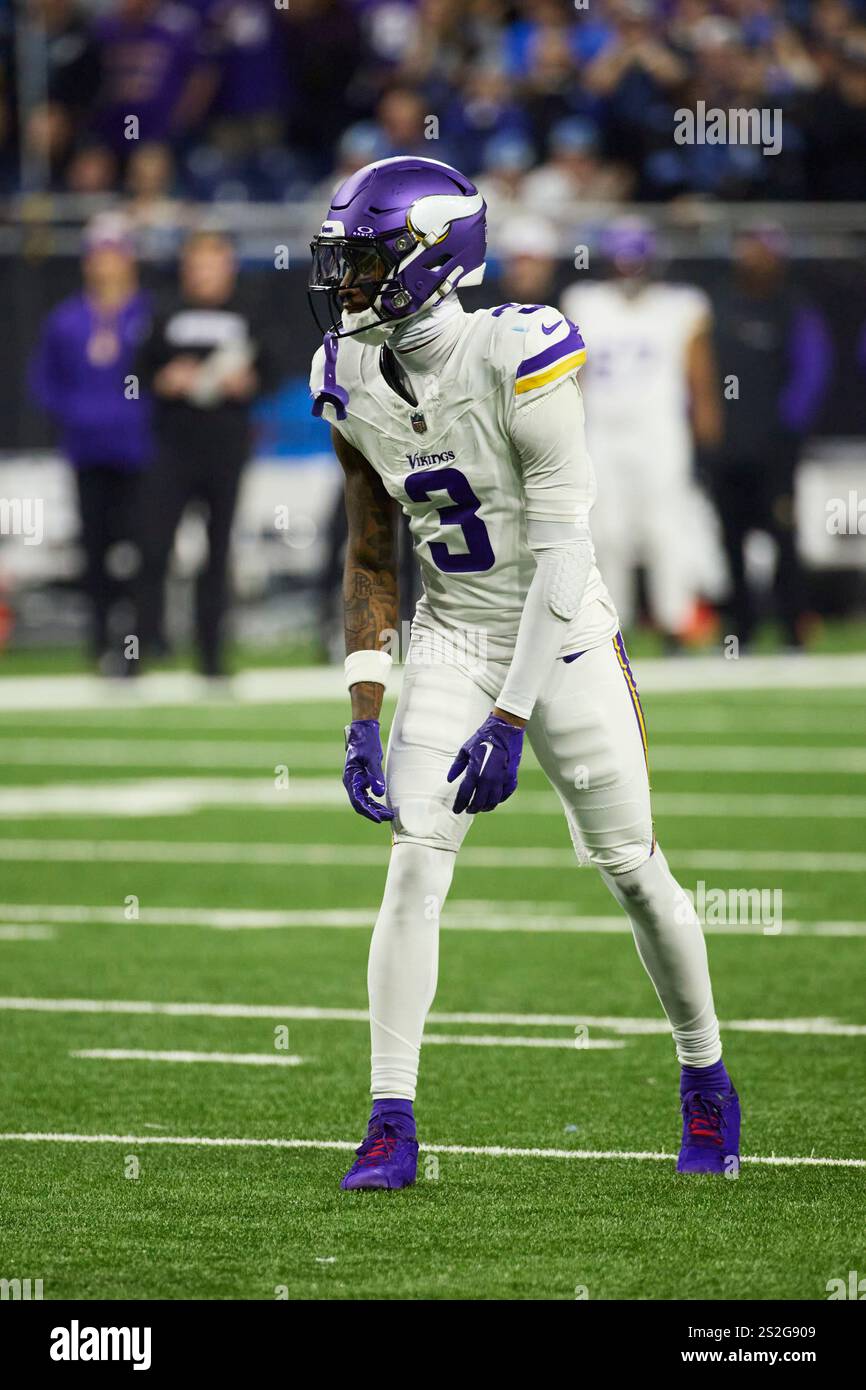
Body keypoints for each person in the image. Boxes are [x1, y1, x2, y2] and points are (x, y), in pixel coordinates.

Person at [308, 156, 740, 1191]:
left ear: (431, 257)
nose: (347, 284)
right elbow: (372, 552)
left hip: (565, 634)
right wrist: (362, 706)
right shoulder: (347, 373)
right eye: (344, 263)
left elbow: (562, 554)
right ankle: (390, 1116)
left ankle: (703, 1074)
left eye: (366, 262)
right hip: (453, 635)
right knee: (414, 861)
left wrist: (509, 718)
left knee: (631, 867)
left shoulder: (518, 349)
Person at [561, 217, 723, 649]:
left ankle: (675, 621)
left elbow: (698, 367)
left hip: (659, 428)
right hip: (603, 429)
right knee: (606, 529)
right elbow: (577, 373)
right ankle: (611, 625)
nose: (629, 270)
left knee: (666, 524)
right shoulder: (586, 301)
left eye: (636, 262)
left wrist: (706, 413)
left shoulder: (681, 305)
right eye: (622, 261)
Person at [135, 229, 283, 677]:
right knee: (154, 548)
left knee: (217, 554)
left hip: (225, 448)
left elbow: (272, 374)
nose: (202, 273)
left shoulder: (250, 314)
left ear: (228, 267)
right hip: (172, 448)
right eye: (195, 264)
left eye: (211, 263)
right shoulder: (165, 313)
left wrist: (248, 383)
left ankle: (212, 655)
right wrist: (165, 379)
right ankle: (141, 648)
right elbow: (137, 374)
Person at [29, 211, 152, 671]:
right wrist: (76, 415)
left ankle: (139, 643)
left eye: (114, 253)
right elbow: (44, 382)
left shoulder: (148, 314)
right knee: (95, 551)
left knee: (141, 550)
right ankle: (100, 642)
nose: (106, 264)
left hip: (140, 451)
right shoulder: (66, 320)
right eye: (99, 254)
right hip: (87, 451)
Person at [707, 223, 832, 649]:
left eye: (761, 250)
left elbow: (812, 372)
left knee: (783, 537)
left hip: (774, 450)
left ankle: (793, 628)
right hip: (727, 450)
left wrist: (785, 430)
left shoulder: (791, 309)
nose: (753, 257)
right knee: (732, 542)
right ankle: (742, 629)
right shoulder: (720, 305)